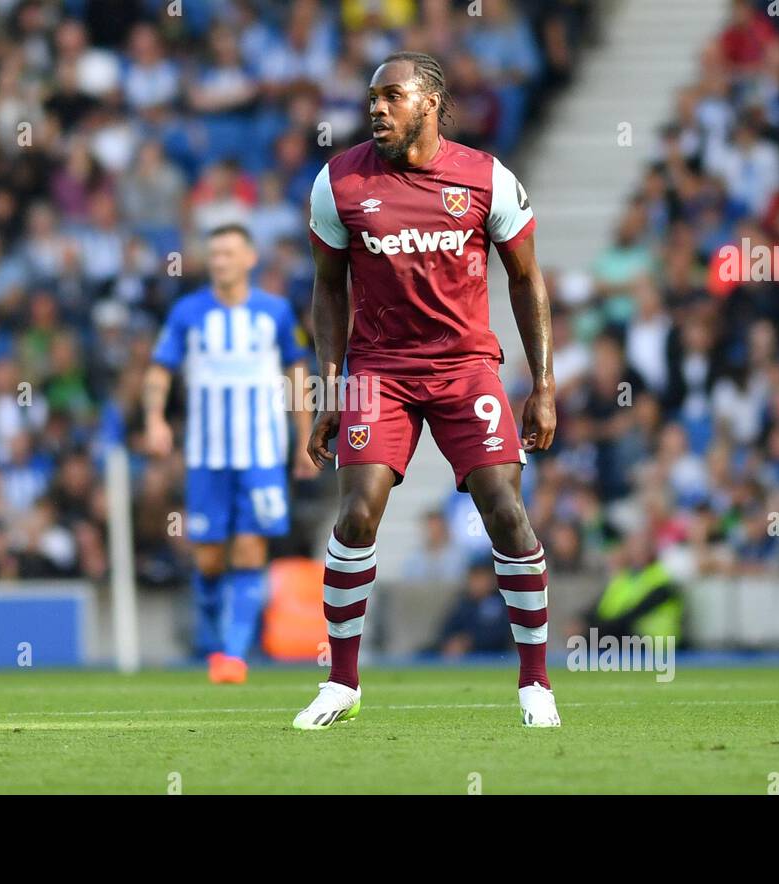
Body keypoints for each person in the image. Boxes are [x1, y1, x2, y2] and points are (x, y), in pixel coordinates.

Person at [295, 52, 560, 729]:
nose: (377, 108)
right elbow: (328, 287)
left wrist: (544, 384)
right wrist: (330, 388)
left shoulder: (485, 178)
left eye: (393, 95)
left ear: (431, 101)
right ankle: (343, 683)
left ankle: (536, 685)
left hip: (466, 366)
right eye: (372, 97)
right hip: (377, 370)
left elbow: (528, 281)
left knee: (504, 508)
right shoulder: (340, 182)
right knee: (357, 515)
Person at [143, 224, 314, 684]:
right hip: (207, 456)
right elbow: (160, 371)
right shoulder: (188, 312)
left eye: (228, 253)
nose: (220, 261)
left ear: (249, 259)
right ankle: (220, 640)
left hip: (260, 454)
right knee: (209, 557)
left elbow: (298, 376)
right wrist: (155, 418)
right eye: (214, 253)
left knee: (251, 546)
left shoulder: (275, 312)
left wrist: (303, 439)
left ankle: (232, 654)